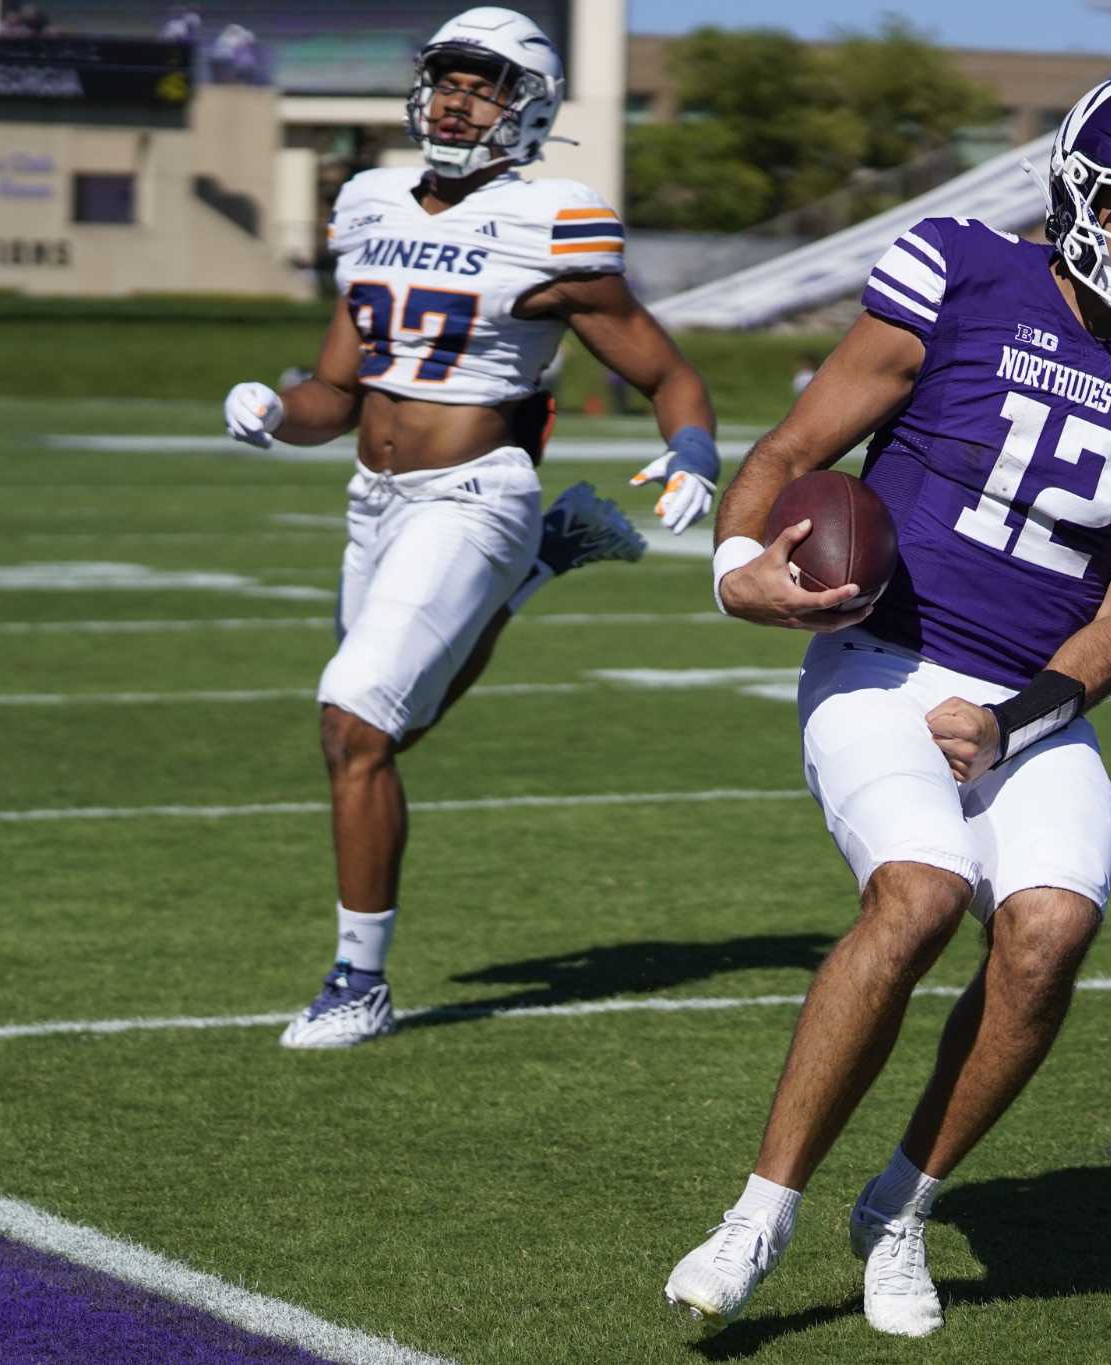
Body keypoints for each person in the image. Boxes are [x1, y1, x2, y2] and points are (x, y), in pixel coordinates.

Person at [661, 70, 1111, 1337]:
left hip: (1029, 701)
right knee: (923, 892)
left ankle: (897, 1209)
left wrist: (1019, 719)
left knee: (1048, 934)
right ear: (1074, 191)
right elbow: (786, 457)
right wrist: (739, 575)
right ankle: (758, 1212)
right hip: (884, 660)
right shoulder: (960, 272)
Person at [221, 7, 718, 1046]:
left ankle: (357, 983)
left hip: (474, 492)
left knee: (354, 719)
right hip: (373, 499)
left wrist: (693, 449)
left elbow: (663, 367)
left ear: (526, 108)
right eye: (447, 77)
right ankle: (542, 567)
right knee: (382, 730)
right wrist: (275, 412)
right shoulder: (363, 202)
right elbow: (336, 391)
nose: (456, 97)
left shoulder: (554, 216)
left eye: (483, 83)